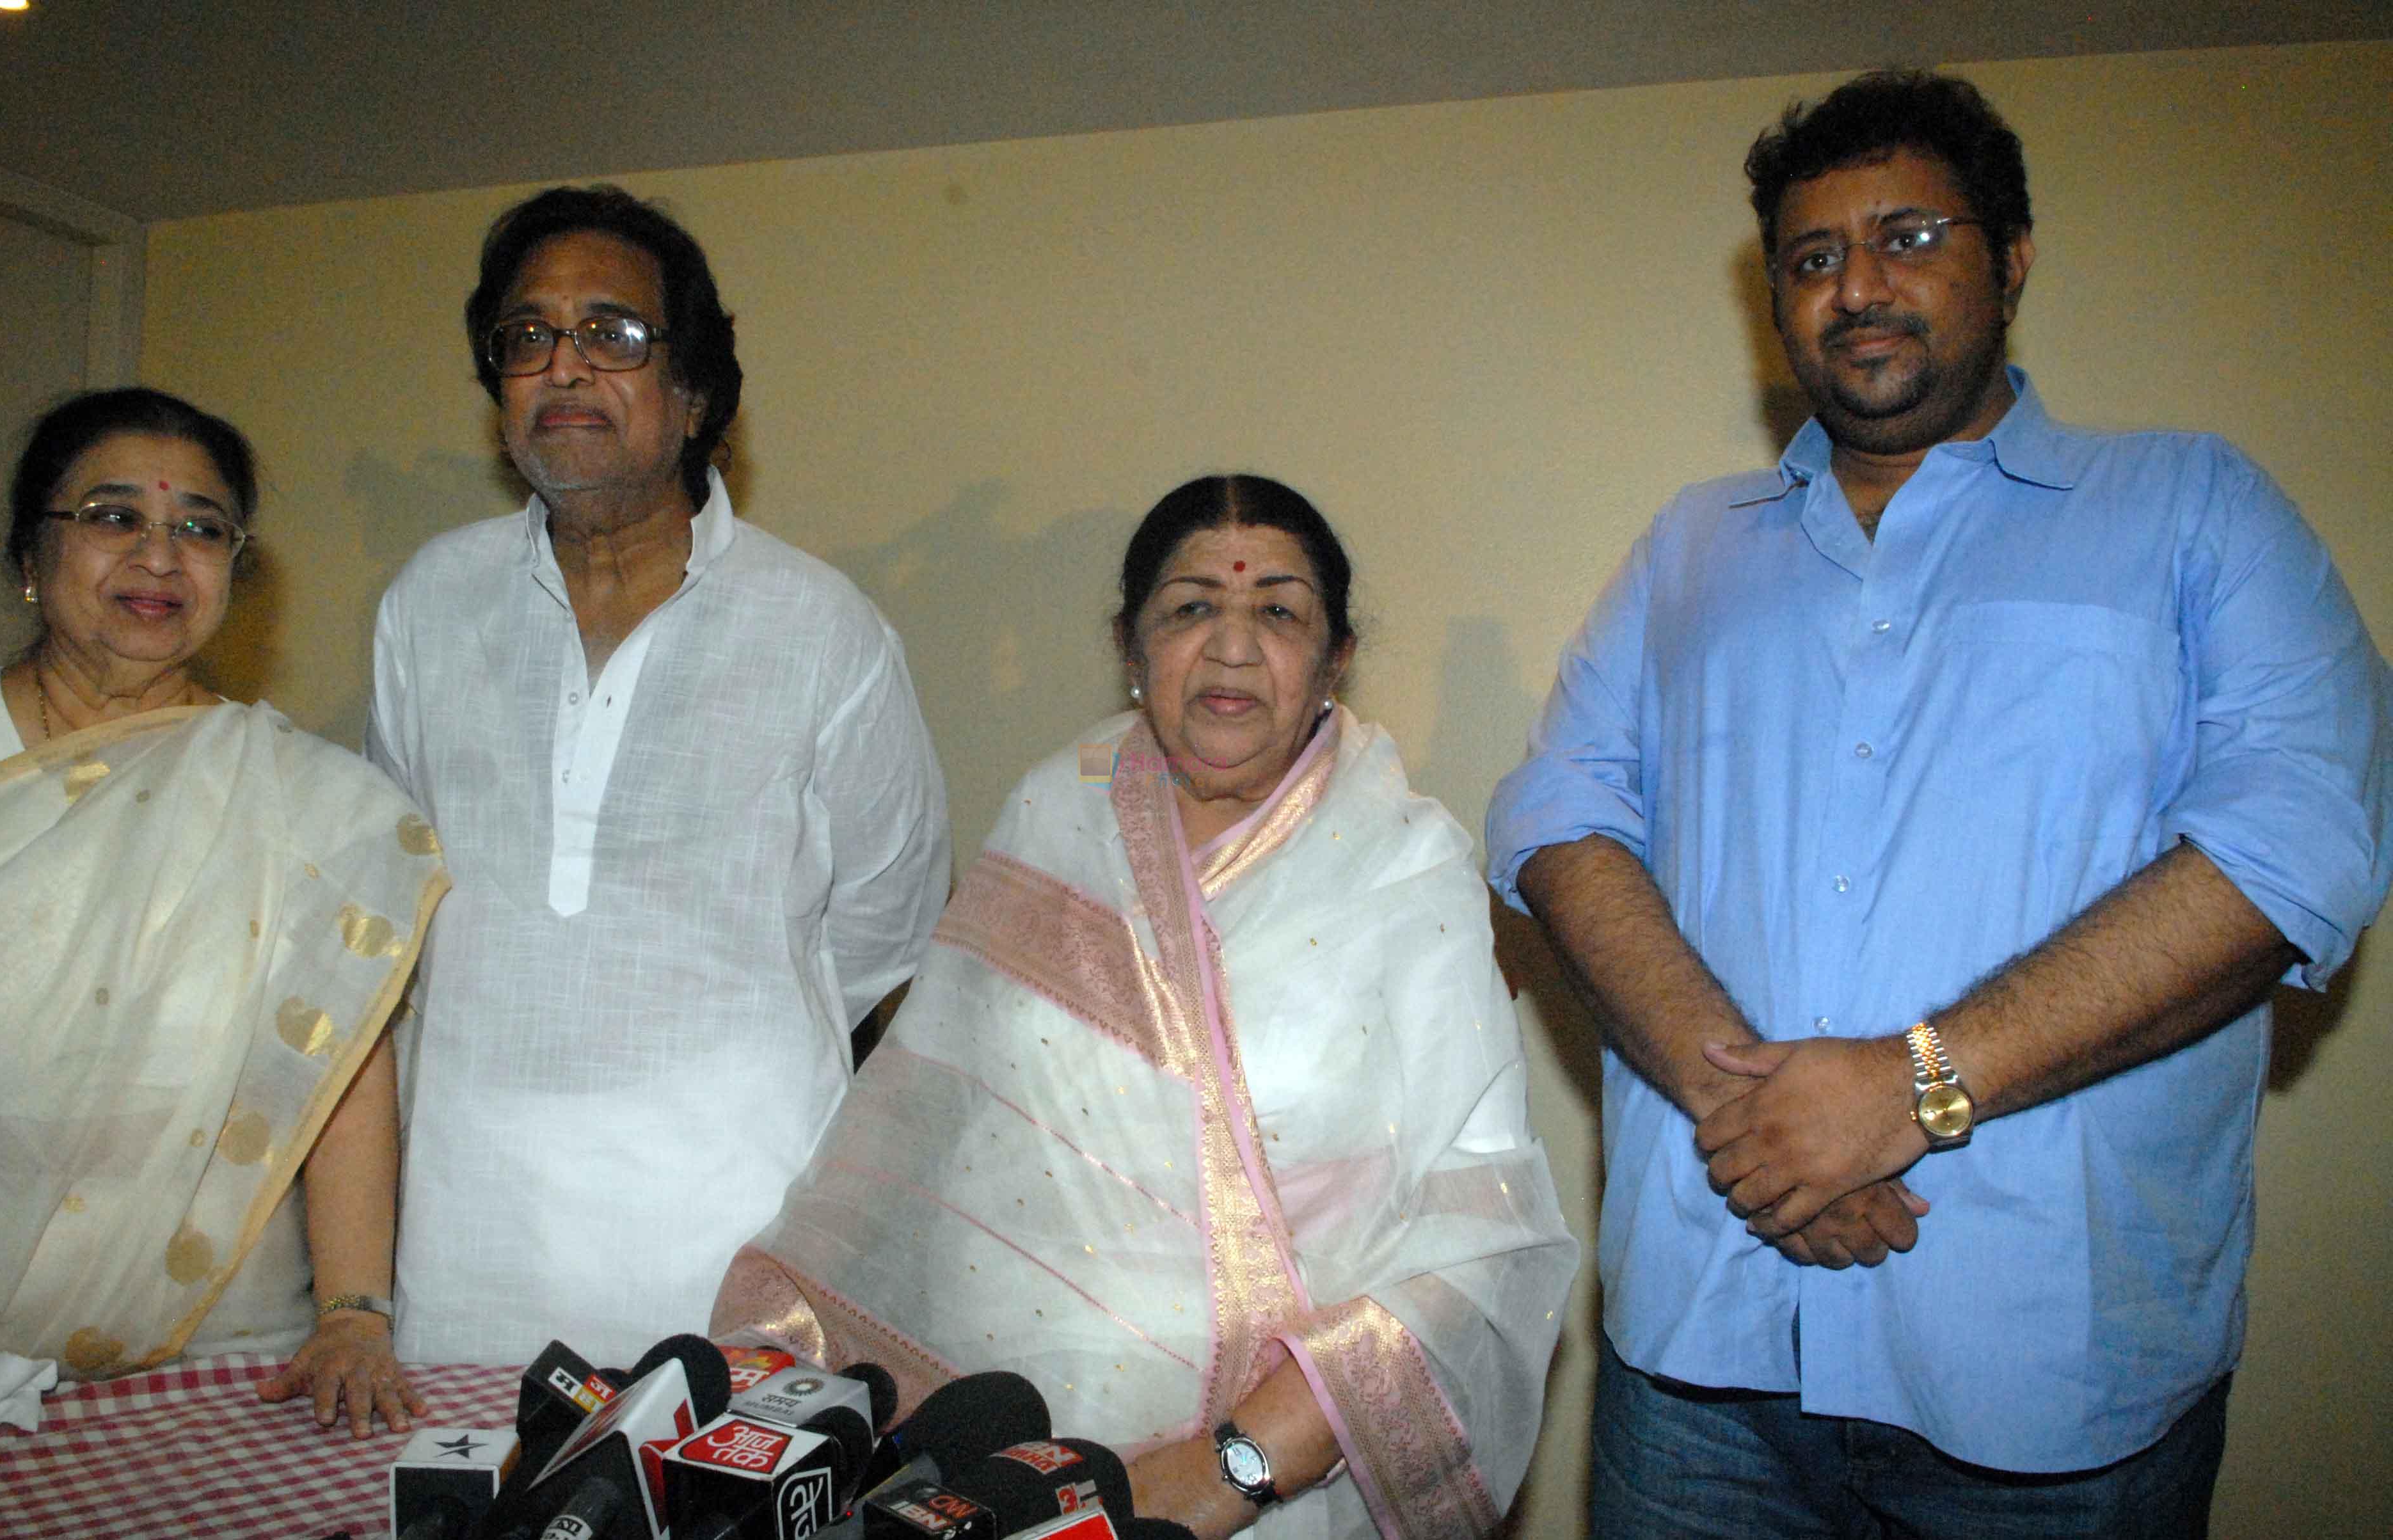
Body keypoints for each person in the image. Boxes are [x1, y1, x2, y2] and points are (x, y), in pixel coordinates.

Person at [1487, 69, 2393, 1537]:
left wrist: (1913, 1087)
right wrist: (1756, 1116)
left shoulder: (2194, 508)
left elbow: (2297, 842)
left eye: (1906, 237)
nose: (1856, 286)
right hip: (1702, 1365)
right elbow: (1554, 814)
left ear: (2011, 260)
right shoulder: (1687, 547)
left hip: (2050, 1389)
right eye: (1811, 257)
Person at [714, 475, 1577, 1539]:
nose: (1232, 647)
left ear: (1336, 661)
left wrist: (1226, 1471)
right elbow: (923, 1121)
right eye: (1191, 607)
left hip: (1272, 1479)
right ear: (1131, 646)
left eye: (1278, 611)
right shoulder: (1055, 807)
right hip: (999, 1439)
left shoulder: (1409, 867)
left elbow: (1480, 1243)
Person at [368, 186, 950, 1367]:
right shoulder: (430, 605)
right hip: (469, 1240)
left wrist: (702, 1042)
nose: (564, 365)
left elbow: (888, 923)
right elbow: (395, 897)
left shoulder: (819, 625)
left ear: (694, 395)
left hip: (737, 1237)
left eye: (613, 333)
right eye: (528, 336)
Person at [0, 388, 446, 1450]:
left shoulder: (312, 806)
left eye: (201, 529)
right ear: (29, 555)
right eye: (114, 516)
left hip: (225, 1365)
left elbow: (342, 1078)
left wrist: (353, 1316)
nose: (160, 557)